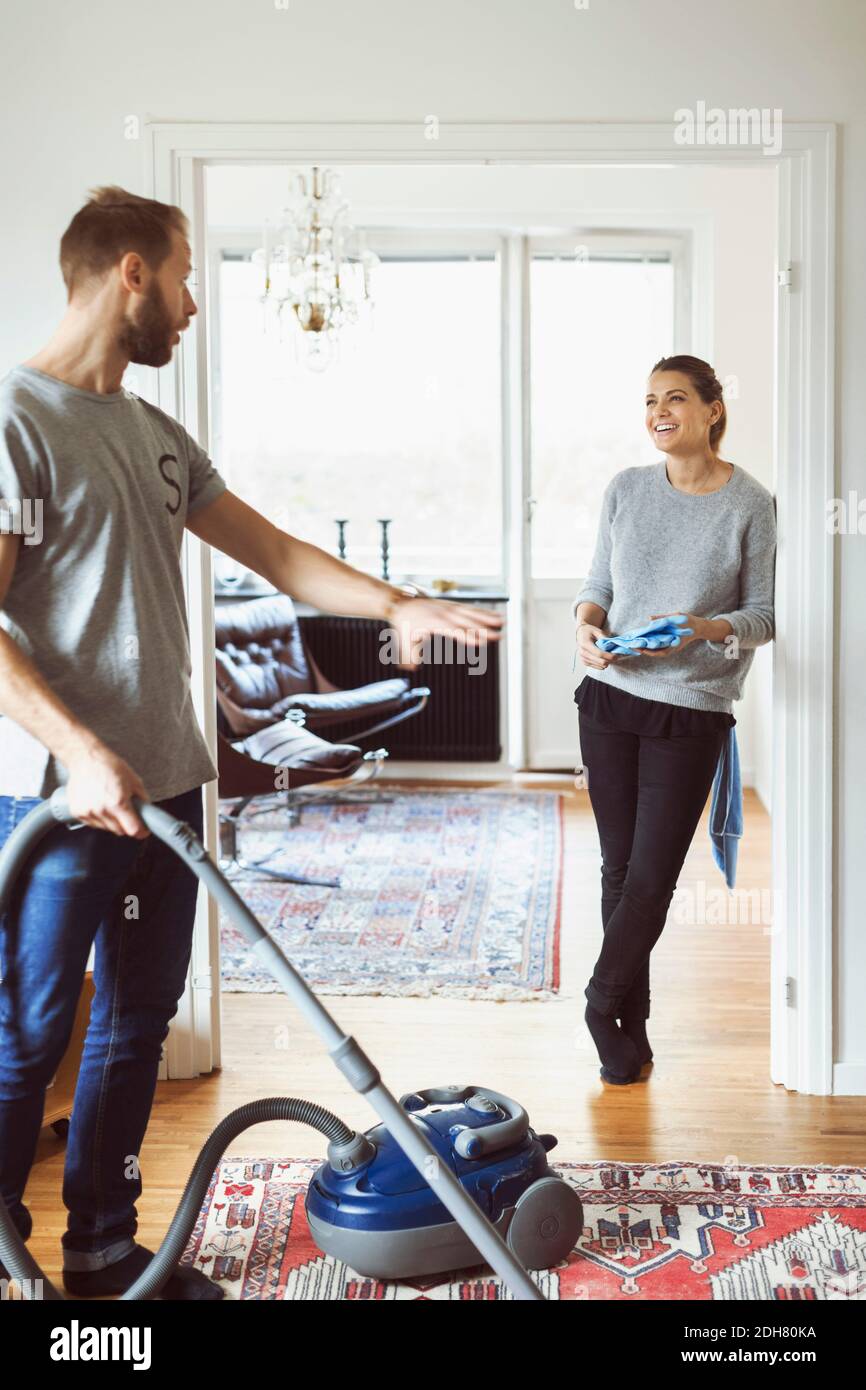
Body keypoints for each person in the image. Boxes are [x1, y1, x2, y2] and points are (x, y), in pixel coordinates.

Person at [0, 186, 503, 1298]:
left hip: (168, 787)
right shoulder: (15, 421)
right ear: (129, 271)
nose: (190, 306)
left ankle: (101, 1248)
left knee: (136, 1026)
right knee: (30, 1033)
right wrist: (81, 753)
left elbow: (274, 553)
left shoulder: (152, 433)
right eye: (183, 278)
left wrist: (396, 605)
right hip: (57, 800)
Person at [573, 354, 776, 1086]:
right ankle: (632, 1027)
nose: (660, 412)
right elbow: (598, 582)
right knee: (618, 869)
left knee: (651, 878)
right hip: (610, 699)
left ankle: (599, 1005)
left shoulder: (751, 503)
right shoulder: (626, 489)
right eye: (651, 400)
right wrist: (585, 625)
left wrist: (703, 626)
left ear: (713, 410)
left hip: (690, 711)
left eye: (677, 399)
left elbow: (764, 616)